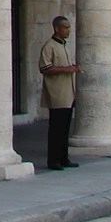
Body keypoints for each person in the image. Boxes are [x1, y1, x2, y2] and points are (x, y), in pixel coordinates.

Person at [39, 15, 81, 170]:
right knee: (56, 128)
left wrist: (73, 67)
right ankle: (53, 160)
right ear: (57, 28)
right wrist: (68, 69)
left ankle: (64, 158)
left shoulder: (64, 45)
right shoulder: (49, 46)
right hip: (57, 94)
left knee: (65, 128)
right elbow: (45, 68)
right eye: (65, 27)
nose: (68, 30)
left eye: (69, 27)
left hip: (68, 93)